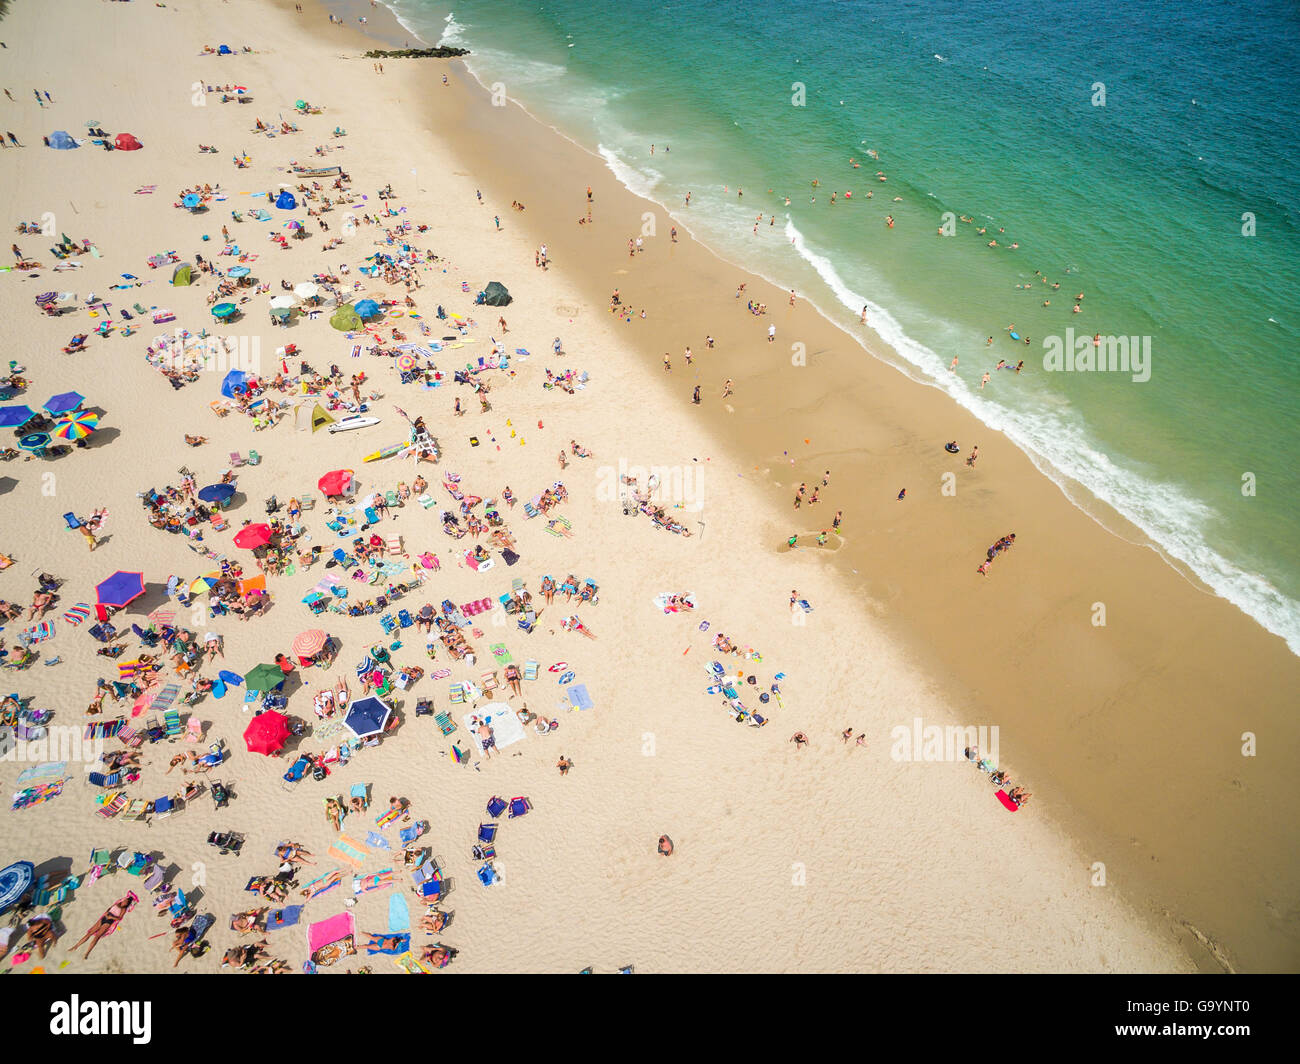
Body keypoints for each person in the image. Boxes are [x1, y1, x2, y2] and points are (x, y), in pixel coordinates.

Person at [68, 893, 136, 959]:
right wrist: (106, 913)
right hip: (104, 917)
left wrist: (111, 917)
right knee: (89, 933)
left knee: (97, 937)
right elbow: (110, 908)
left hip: (109, 921)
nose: (124, 902)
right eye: (125, 900)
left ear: (127, 904)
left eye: (126, 902)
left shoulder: (123, 909)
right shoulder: (118, 903)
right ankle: (75, 946)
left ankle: (87, 953)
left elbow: (119, 918)